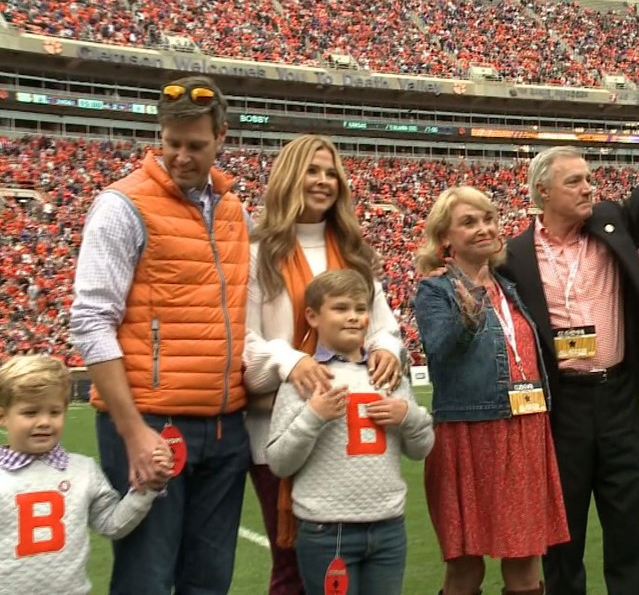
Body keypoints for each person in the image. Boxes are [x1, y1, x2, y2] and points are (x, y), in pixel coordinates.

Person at [498, 59, 639, 595]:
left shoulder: (612, 224)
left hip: (616, 397)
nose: (590, 188)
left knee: (632, 524)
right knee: (562, 534)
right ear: (543, 192)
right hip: (558, 403)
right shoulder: (512, 256)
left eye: (590, 178)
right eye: (576, 181)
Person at [69, 75, 252, 595]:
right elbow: (89, 320)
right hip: (151, 420)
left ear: (221, 138)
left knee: (210, 581)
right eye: (172, 145)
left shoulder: (236, 210)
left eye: (196, 146)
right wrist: (132, 431)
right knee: (146, 579)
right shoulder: (121, 206)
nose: (182, 157)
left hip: (224, 427)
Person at [243, 134, 404, 595]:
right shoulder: (259, 252)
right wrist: (291, 361)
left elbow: (383, 326)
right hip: (280, 424)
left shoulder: (354, 252)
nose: (323, 180)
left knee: (348, 564)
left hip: (350, 429)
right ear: (289, 176)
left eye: (331, 172)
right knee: (292, 566)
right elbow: (245, 341)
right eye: (312, 170)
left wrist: (389, 348)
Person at [414, 186, 568, 595]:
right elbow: (439, 353)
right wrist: (466, 319)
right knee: (465, 568)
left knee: (525, 564)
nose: (484, 228)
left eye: (488, 219)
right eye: (469, 222)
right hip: (470, 432)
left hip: (525, 429)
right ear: (445, 237)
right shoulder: (436, 290)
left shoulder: (509, 286)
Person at [266, 269, 433, 595]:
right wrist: (314, 416)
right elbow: (279, 463)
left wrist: (408, 416)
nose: (354, 317)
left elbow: (422, 448)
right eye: (341, 308)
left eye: (360, 309)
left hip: (388, 524)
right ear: (313, 316)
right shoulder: (305, 377)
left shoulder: (388, 373)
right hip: (326, 528)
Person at [0, 355, 171, 595]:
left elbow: (111, 524)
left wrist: (148, 487)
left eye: (54, 412)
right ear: (3, 417)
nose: (44, 422)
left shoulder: (83, 470)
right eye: (30, 413)